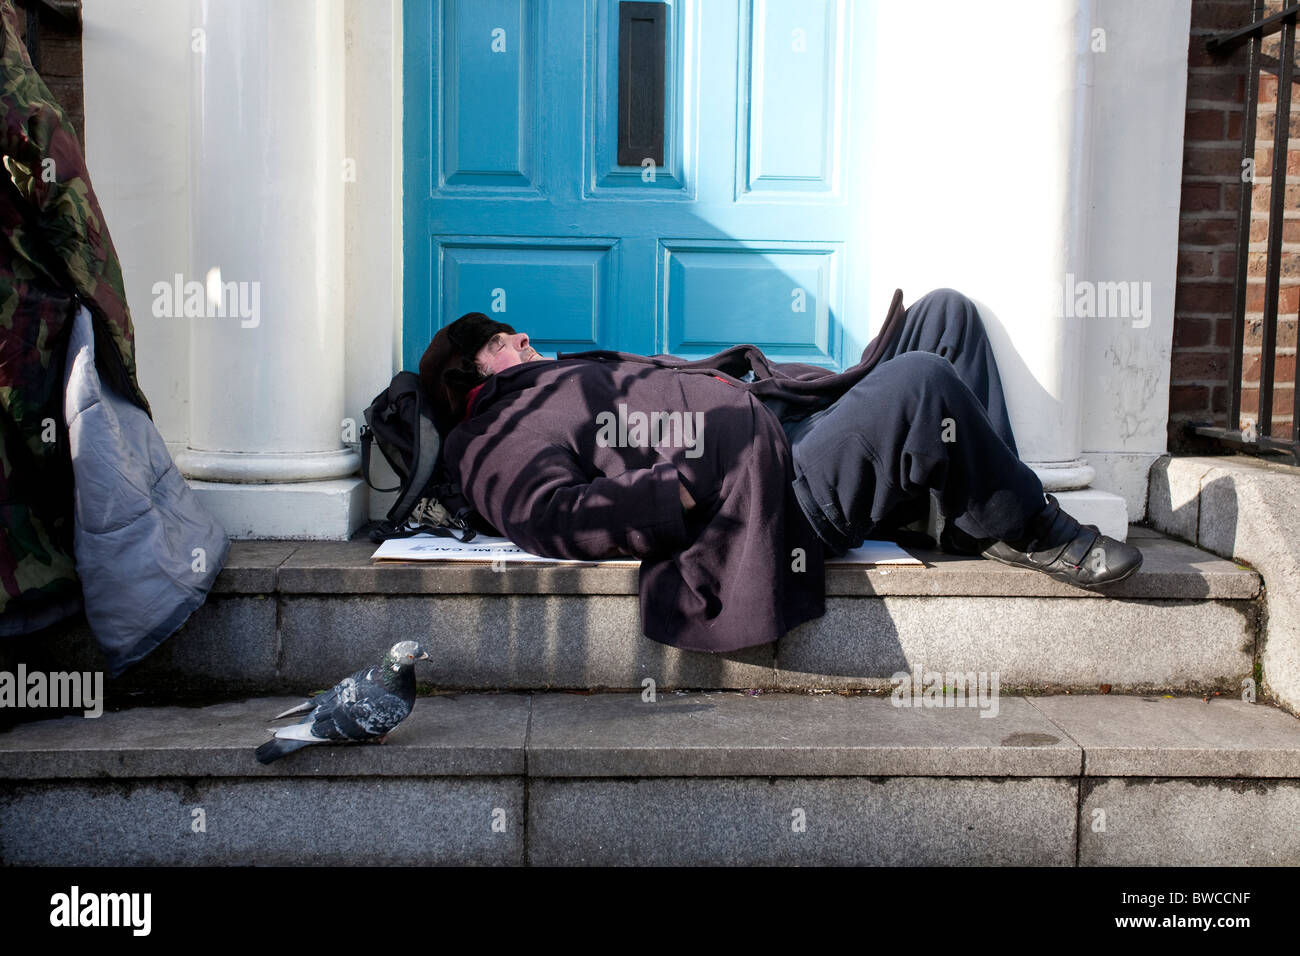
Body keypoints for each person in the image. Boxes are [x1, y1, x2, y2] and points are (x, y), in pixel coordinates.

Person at [418, 289, 1142, 654]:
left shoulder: (568, 375)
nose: (523, 338)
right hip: (768, 492)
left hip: (791, 424)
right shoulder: (494, 432)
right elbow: (550, 516)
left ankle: (975, 513)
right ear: (471, 375)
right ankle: (1038, 526)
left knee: (944, 316)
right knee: (923, 378)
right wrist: (678, 492)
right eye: (504, 341)